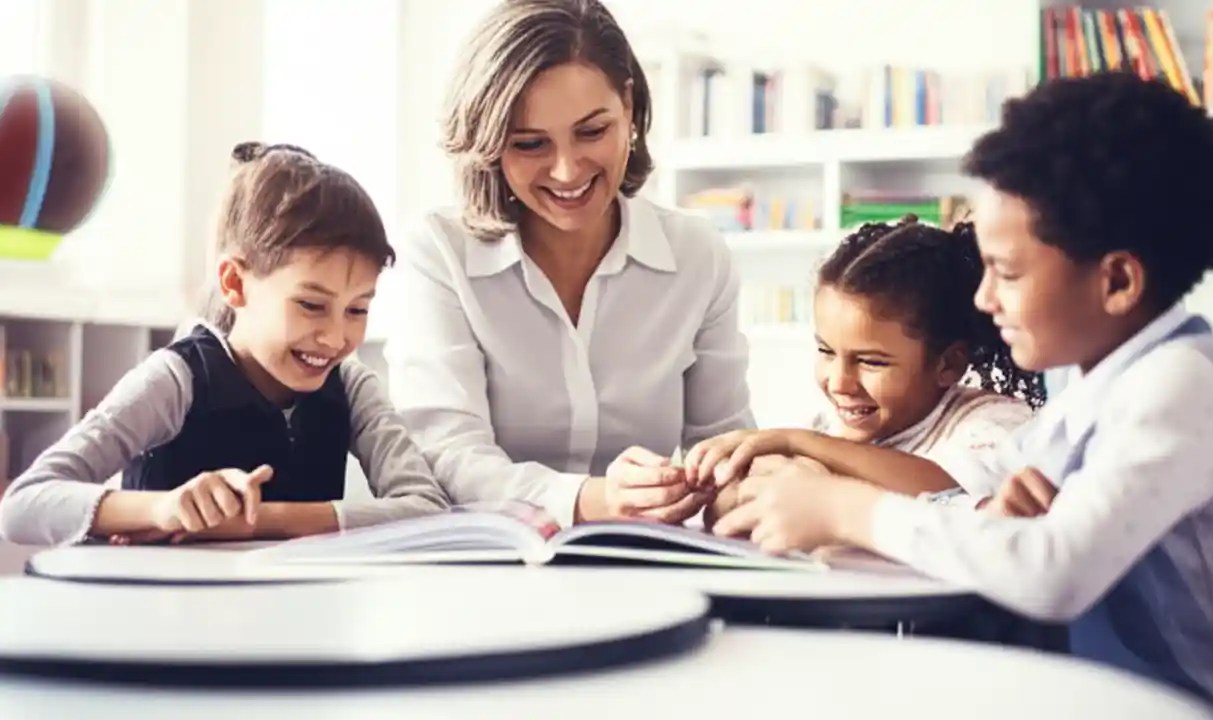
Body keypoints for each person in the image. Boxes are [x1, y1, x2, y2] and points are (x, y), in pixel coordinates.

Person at [712, 73, 1213, 718]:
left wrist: (846, 509)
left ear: (1118, 281)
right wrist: (989, 514)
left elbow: (1054, 571)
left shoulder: (1180, 380)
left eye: (1006, 273)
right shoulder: (1093, 389)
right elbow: (968, 504)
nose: (984, 300)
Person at [385, 0, 752, 529]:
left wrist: (739, 487)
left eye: (592, 132)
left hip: (648, 557)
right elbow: (445, 455)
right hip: (484, 562)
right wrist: (594, 499)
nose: (566, 170)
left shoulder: (698, 255)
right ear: (490, 146)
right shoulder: (438, 252)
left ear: (628, 107)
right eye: (530, 144)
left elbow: (726, 443)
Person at [0, 142, 450, 547]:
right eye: (311, 305)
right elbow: (23, 504)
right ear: (235, 283)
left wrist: (256, 521)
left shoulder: (352, 386)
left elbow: (427, 508)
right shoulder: (175, 380)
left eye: (357, 309)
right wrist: (163, 508)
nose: (336, 338)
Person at [684, 217, 1042, 521]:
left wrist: (801, 445)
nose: (840, 383)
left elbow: (946, 488)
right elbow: (730, 515)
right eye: (826, 351)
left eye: (870, 361)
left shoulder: (995, 422)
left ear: (948, 364)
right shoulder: (830, 427)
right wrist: (725, 488)